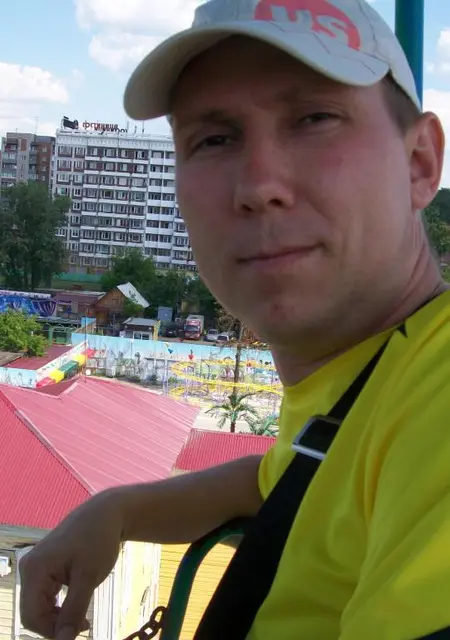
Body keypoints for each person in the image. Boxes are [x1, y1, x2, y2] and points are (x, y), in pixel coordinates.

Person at [19, 0, 450, 638]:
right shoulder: (372, 386)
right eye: (215, 139)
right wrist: (119, 510)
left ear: (419, 163)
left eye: (314, 119)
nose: (258, 186)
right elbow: (284, 478)